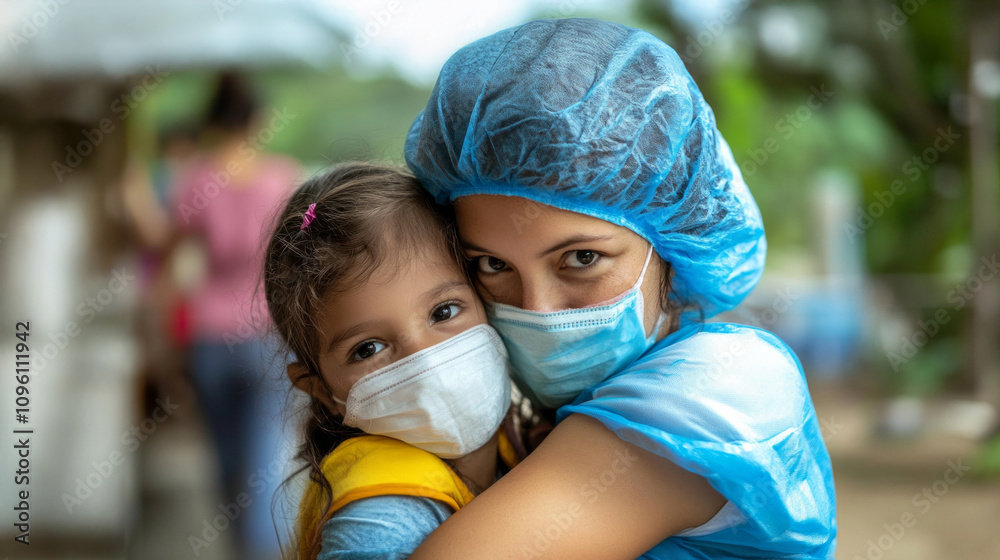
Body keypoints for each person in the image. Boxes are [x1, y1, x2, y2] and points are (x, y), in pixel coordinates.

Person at [402, 18, 837, 559]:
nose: (537, 309)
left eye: (581, 259)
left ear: (672, 253)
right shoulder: (579, 405)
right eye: (492, 264)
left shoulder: (716, 388)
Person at [261, 163, 527, 560]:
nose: (425, 359)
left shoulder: (522, 439)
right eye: (368, 349)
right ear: (321, 390)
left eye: (444, 312)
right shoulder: (378, 520)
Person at [167, 72, 301, 560]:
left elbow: (166, 253)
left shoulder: (195, 181)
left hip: (208, 335)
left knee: (224, 461)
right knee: (267, 460)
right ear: (258, 120)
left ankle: (240, 549)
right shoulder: (281, 177)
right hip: (267, 331)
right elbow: (304, 232)